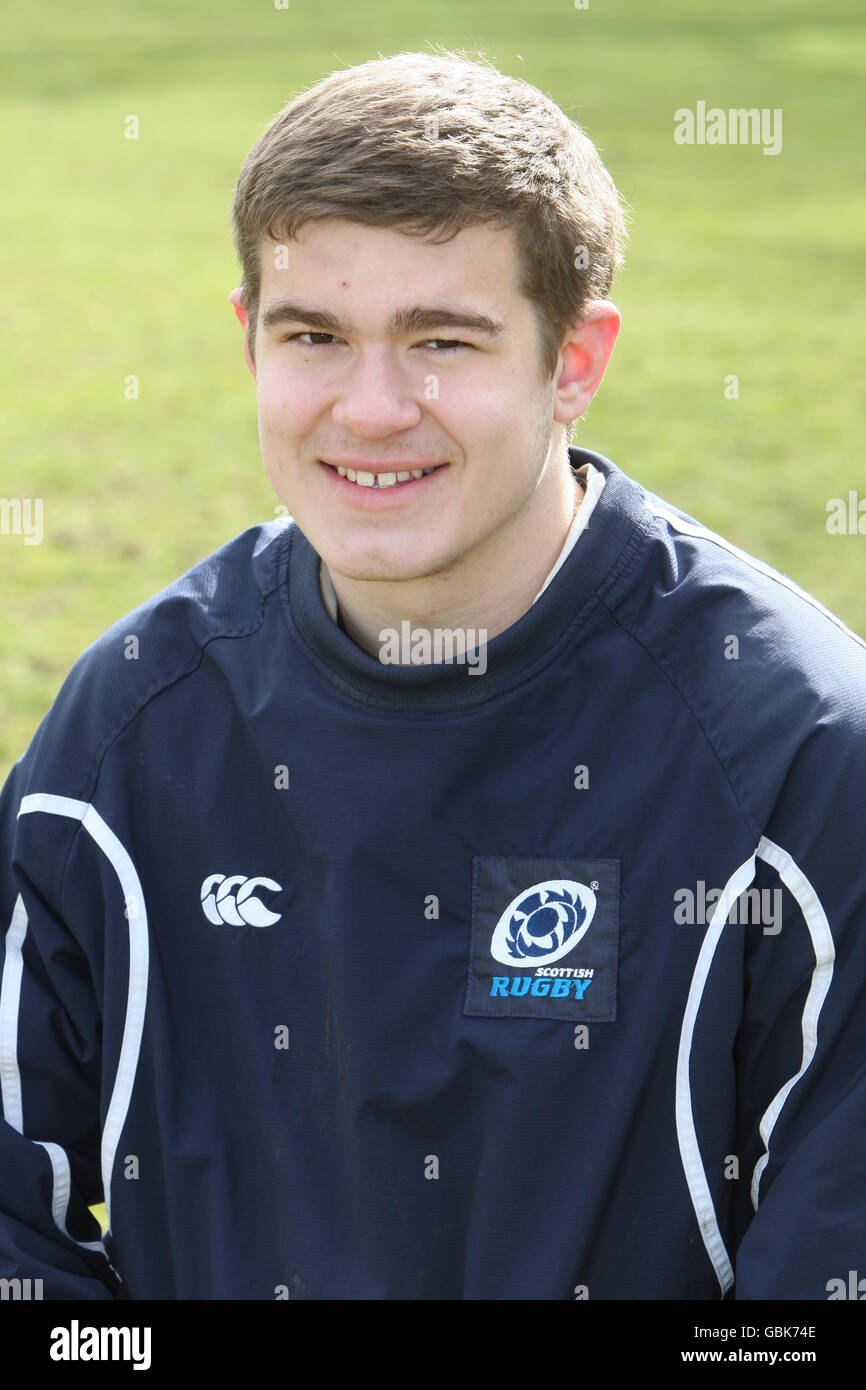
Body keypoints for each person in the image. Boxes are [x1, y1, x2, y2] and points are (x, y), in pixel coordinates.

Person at [1, 49, 864, 1301]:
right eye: (315, 336)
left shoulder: (795, 751)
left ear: (573, 359)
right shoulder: (131, 724)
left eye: (441, 340)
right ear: (248, 340)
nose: (370, 408)